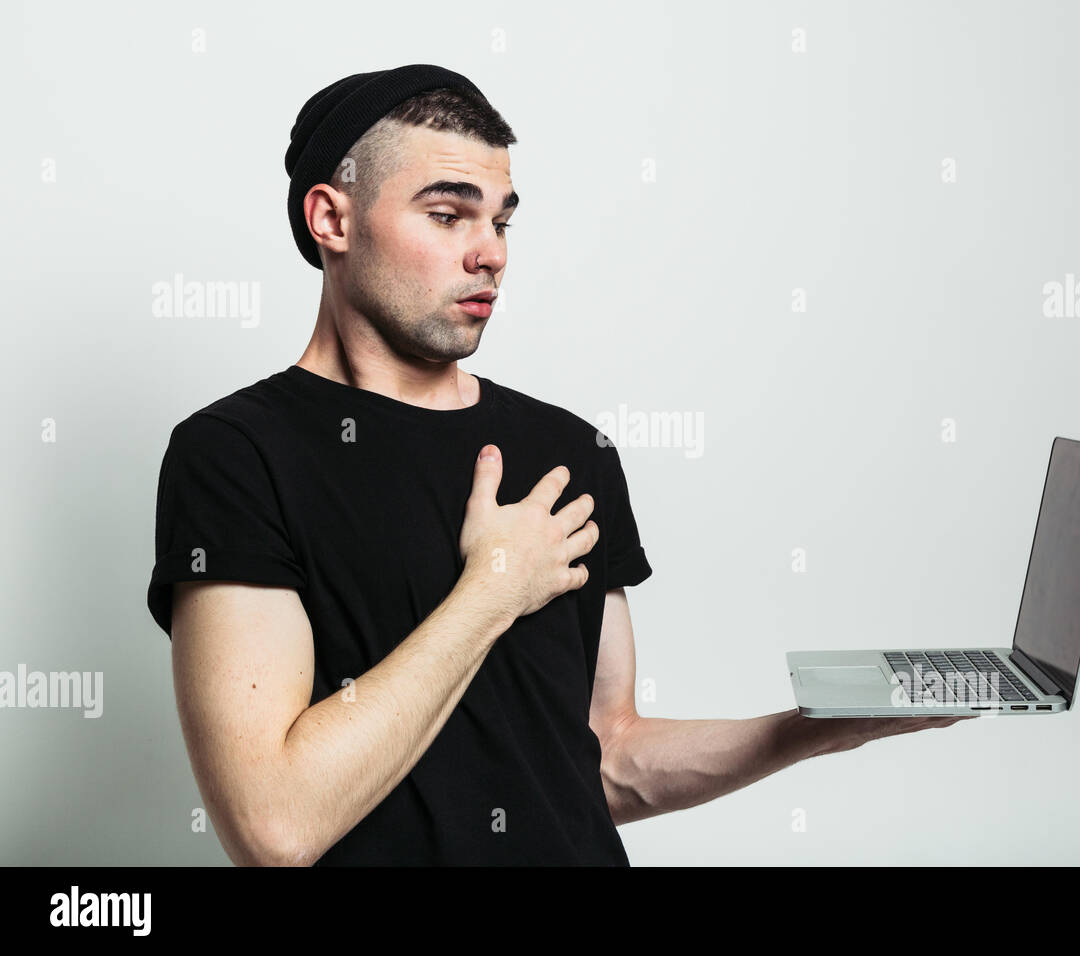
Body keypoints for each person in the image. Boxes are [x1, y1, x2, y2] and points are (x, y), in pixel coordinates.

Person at [146, 64, 968, 866]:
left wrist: (814, 728)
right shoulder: (235, 456)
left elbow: (607, 758)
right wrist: (492, 591)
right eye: (446, 215)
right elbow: (275, 828)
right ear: (333, 219)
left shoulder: (568, 453)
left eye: (501, 222)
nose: (490, 254)